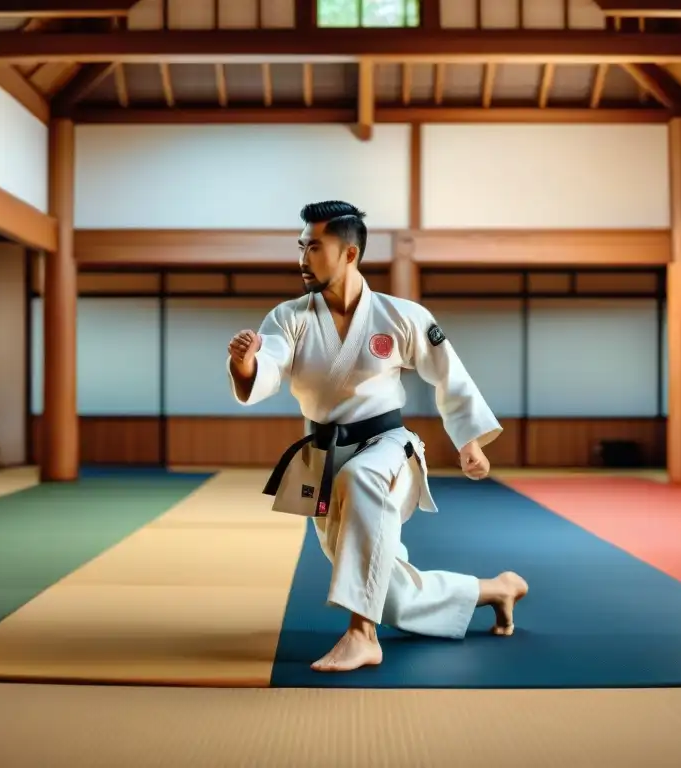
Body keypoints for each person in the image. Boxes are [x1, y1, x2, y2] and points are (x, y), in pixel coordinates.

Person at [226, 200, 528, 673]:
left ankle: (361, 636)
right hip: (323, 457)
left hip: (388, 449)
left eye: (315, 247)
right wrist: (246, 364)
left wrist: (469, 442)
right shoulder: (289, 317)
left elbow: (449, 374)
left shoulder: (399, 315)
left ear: (350, 254)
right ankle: (496, 589)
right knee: (388, 590)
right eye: (301, 246)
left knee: (361, 480)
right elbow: (270, 363)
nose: (303, 258)